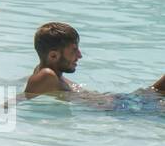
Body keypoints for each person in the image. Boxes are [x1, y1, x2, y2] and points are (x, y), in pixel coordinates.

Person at [24, 22, 165, 98]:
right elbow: (24, 97)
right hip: (116, 110)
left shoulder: (43, 70)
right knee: (156, 94)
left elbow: (29, 88)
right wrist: (5, 106)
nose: (79, 55)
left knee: (155, 93)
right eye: (74, 50)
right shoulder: (47, 74)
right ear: (53, 56)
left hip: (116, 105)